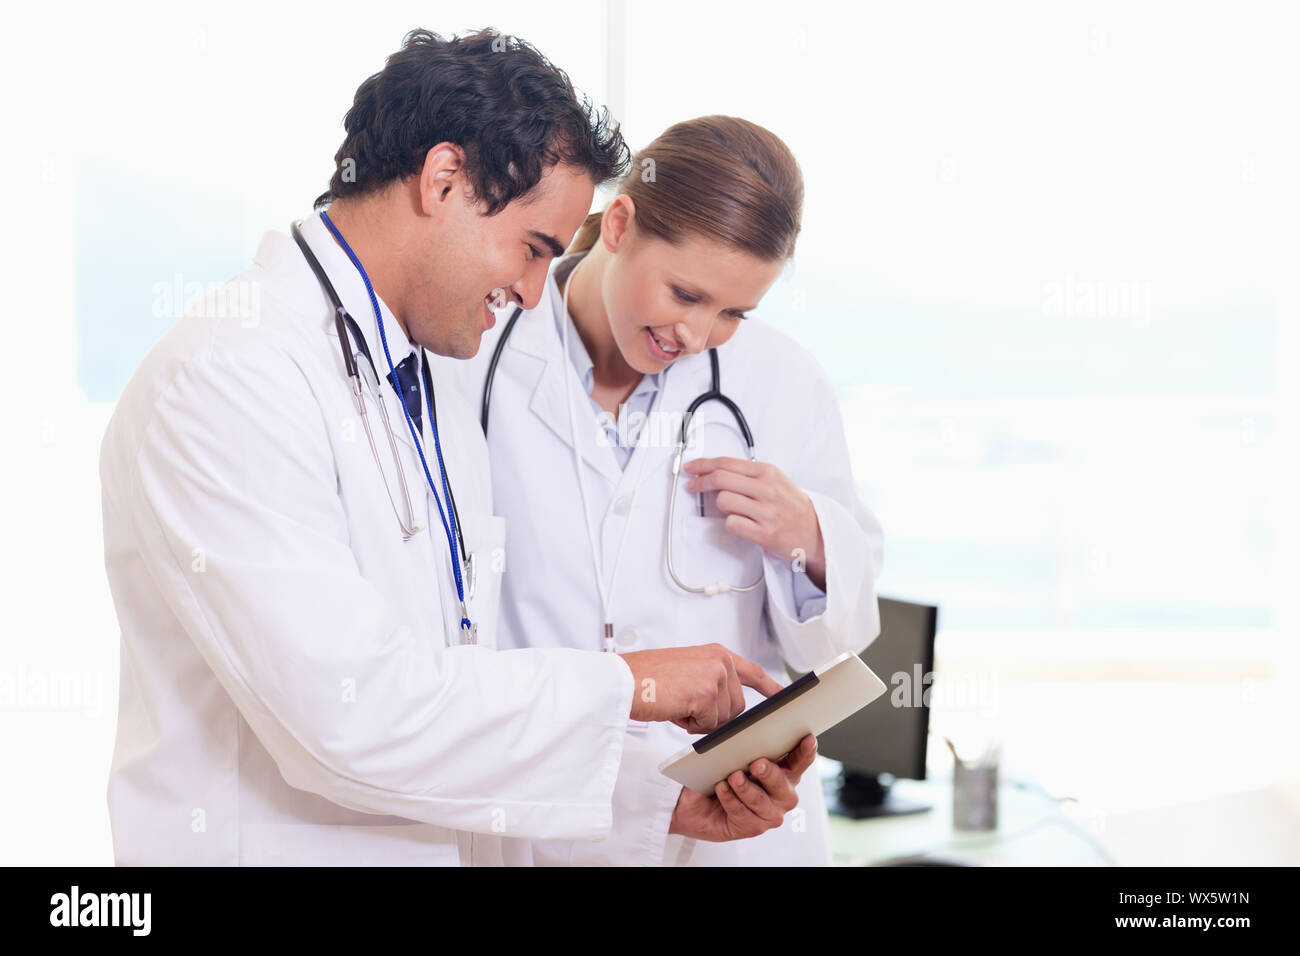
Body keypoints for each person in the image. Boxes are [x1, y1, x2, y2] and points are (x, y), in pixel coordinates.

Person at [100, 29, 815, 867]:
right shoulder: (230, 379)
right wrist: (638, 683)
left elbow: (449, 693)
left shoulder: (417, 373)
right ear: (444, 181)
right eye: (535, 248)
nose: (531, 291)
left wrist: (661, 797)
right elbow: (354, 716)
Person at [444, 115, 885, 865]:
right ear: (618, 223)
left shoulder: (781, 383)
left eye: (734, 313)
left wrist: (811, 538)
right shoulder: (471, 361)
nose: (699, 334)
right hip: (541, 816)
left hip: (729, 826)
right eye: (686, 293)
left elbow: (836, 643)